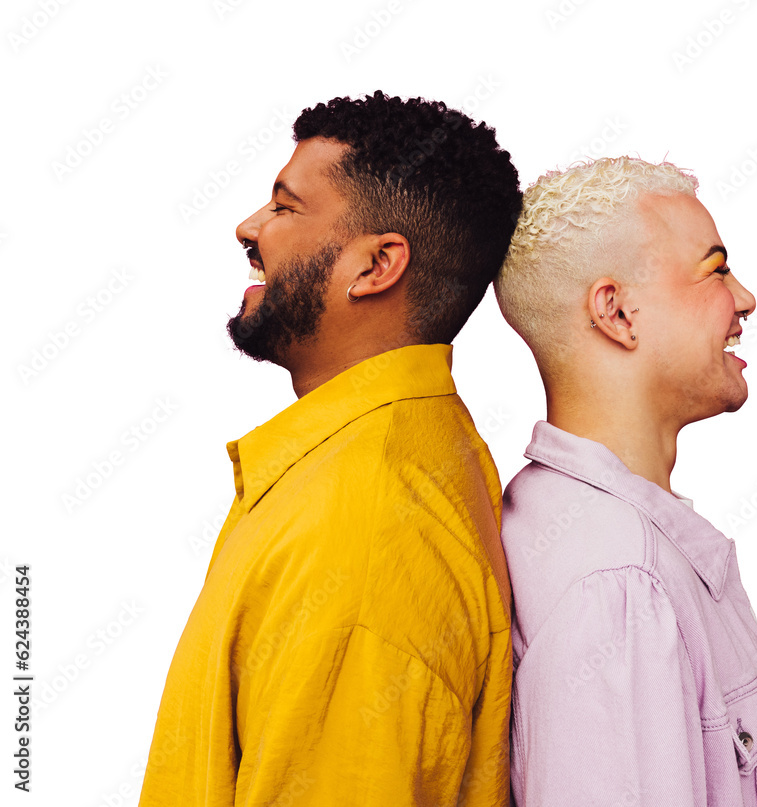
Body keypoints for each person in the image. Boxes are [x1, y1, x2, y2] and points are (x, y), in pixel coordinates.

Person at [139, 91, 521, 806]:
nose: (248, 227)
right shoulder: (376, 462)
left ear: (377, 266)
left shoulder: (365, 534)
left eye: (284, 207)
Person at [493, 156, 757, 806]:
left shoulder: (565, 517)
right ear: (618, 313)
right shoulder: (620, 586)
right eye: (716, 269)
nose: (745, 297)